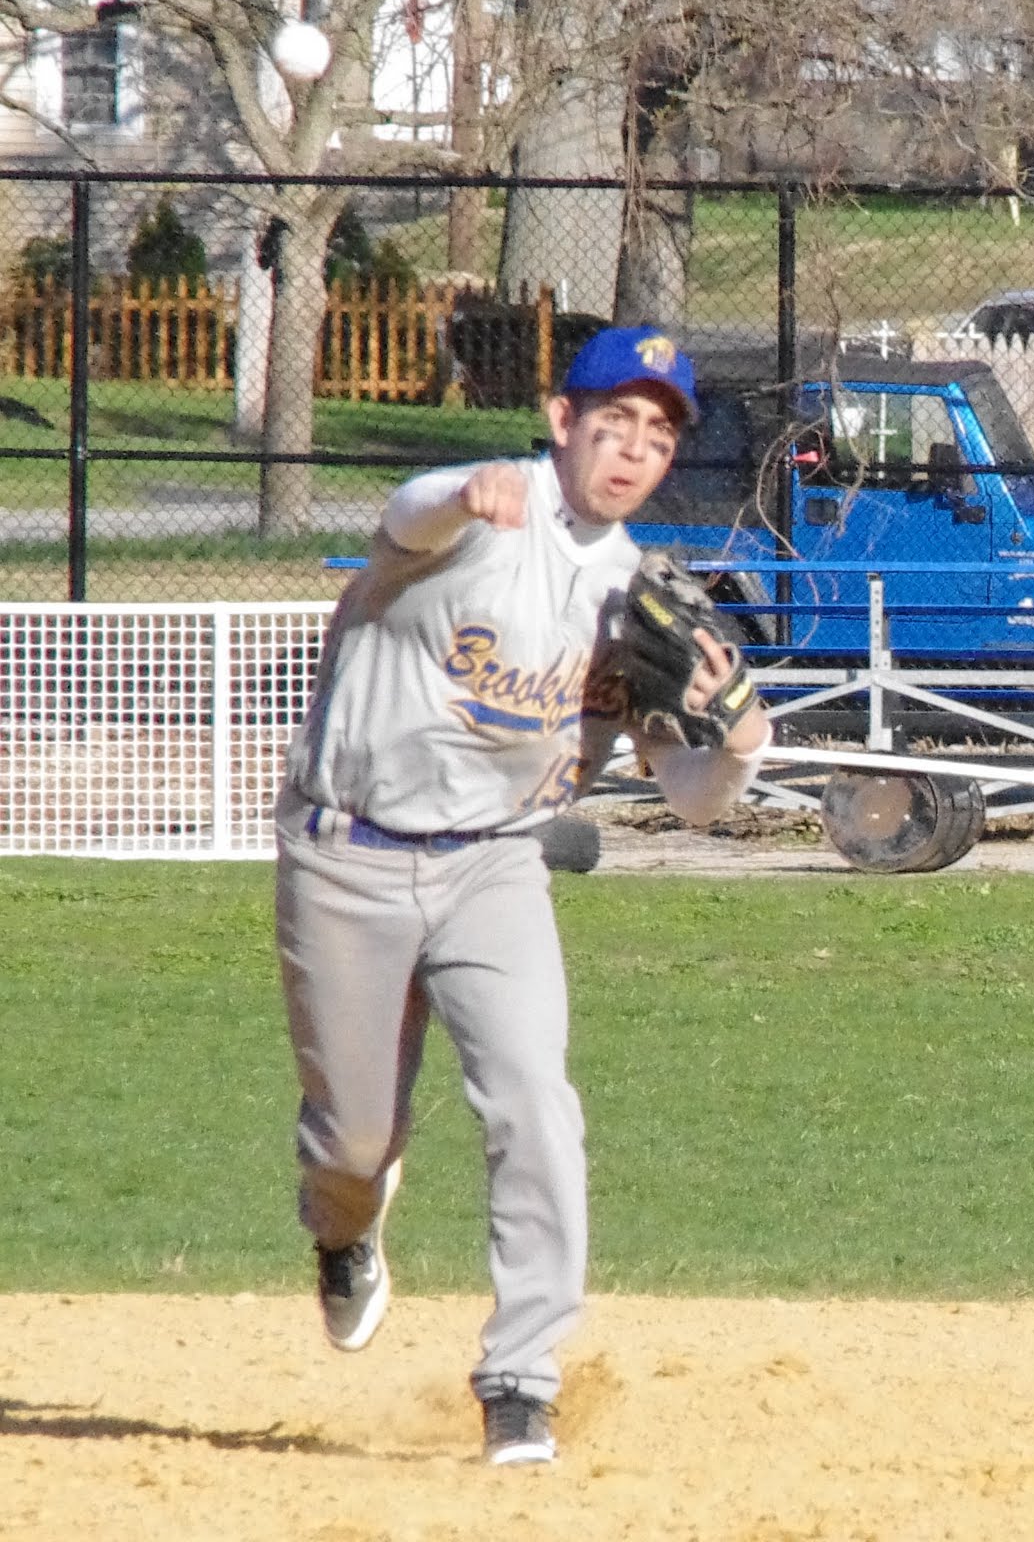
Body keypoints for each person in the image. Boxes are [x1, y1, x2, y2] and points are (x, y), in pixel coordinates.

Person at [274, 325, 772, 1466]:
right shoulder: (465, 527)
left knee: (535, 1104)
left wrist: (742, 739)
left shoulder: (636, 600)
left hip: (494, 862)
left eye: (657, 432)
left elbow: (692, 794)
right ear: (562, 420)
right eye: (614, 420)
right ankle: (344, 1227)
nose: (634, 446)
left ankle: (520, 1376)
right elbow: (404, 514)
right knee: (350, 1143)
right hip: (344, 852)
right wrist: (465, 487)